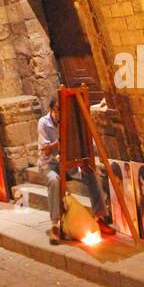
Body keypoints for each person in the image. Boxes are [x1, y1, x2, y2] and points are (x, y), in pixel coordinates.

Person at [37, 93, 112, 244]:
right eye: (58, 110)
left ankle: (100, 216)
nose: (60, 114)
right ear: (52, 109)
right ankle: (55, 225)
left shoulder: (69, 122)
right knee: (53, 180)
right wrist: (61, 140)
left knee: (90, 173)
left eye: (62, 110)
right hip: (50, 165)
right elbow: (45, 150)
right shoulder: (43, 123)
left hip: (69, 164)